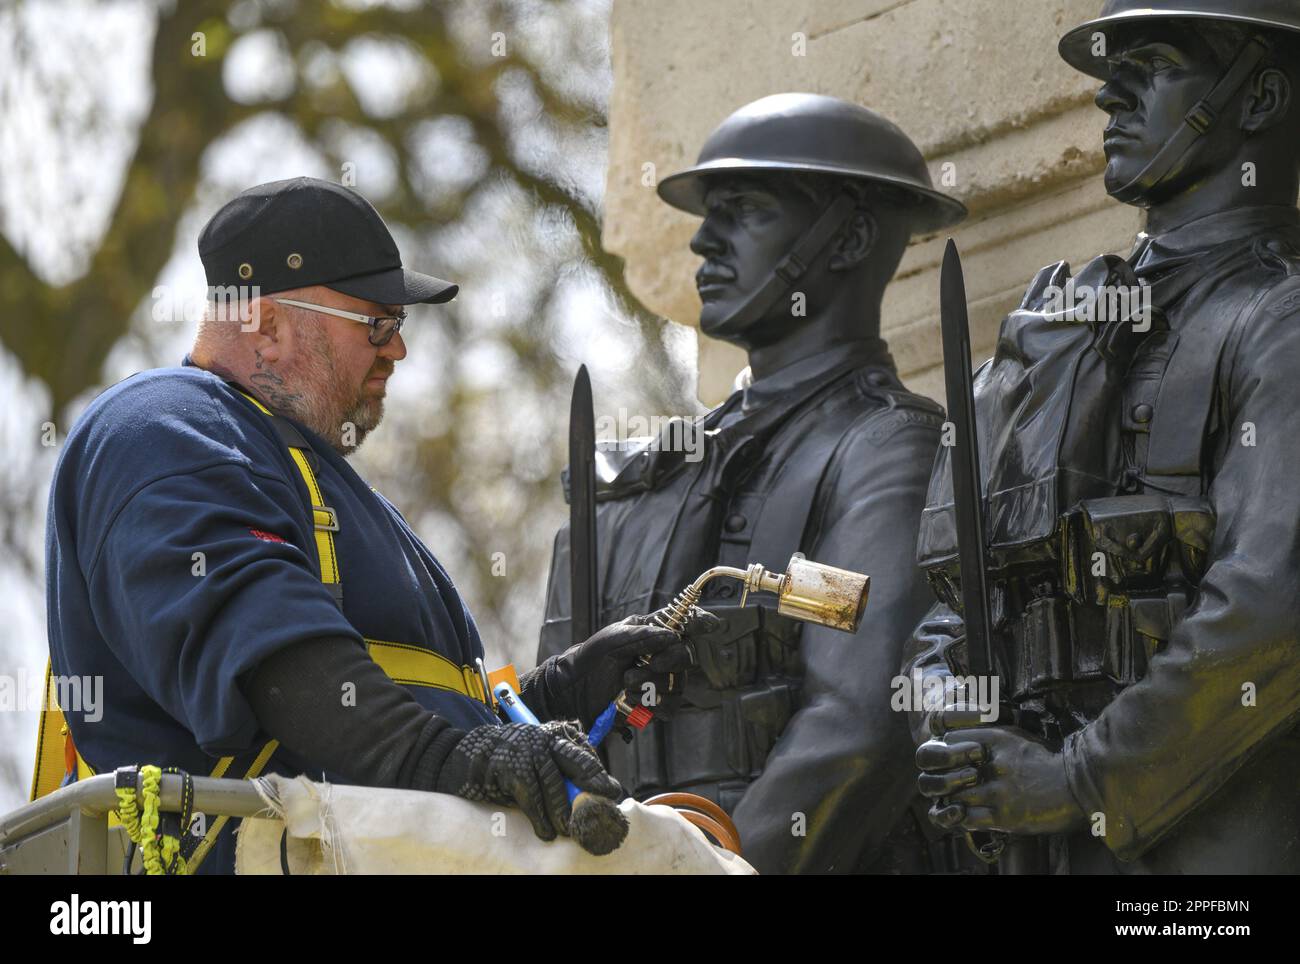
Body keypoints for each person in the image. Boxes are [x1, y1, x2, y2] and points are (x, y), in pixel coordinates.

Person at [40, 176, 696, 873]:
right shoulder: (159, 428)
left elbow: (404, 724)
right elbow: (277, 660)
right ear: (265, 326)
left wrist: (557, 691)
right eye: (377, 325)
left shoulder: (329, 487)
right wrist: (454, 758)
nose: (397, 351)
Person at [908, 1, 1300, 873]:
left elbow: (1273, 601)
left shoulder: (1279, 319)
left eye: (1153, 65)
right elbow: (952, 593)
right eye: (1109, 72)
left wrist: (1079, 782)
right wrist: (958, 728)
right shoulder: (1057, 332)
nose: (1107, 99)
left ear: (1262, 97)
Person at [538, 94, 969, 873]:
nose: (704, 239)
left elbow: (855, 729)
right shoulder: (636, 486)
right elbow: (552, 727)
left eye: (745, 211)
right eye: (710, 213)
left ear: (853, 236)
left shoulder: (884, 449)